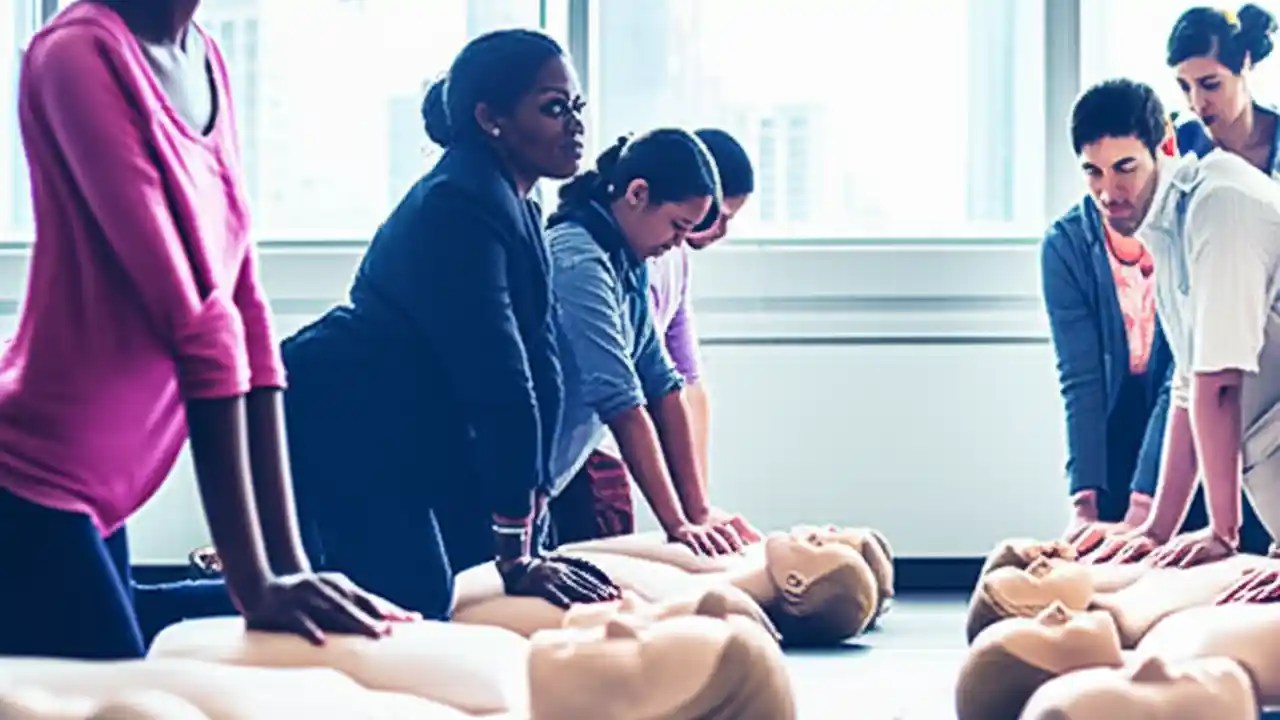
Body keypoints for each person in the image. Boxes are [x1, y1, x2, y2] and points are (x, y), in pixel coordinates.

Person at [0, 0, 406, 660]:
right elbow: (192, 315)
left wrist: (290, 563)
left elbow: (245, 304)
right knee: (120, 692)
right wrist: (255, 583)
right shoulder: (74, 53)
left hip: (107, 487)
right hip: (31, 478)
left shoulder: (206, 57)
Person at [278, 29, 622, 619]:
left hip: (409, 421)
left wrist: (532, 506)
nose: (576, 124)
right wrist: (517, 556)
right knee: (407, 602)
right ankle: (151, 614)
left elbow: (539, 359)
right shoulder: (459, 204)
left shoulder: (518, 202)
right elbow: (500, 379)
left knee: (461, 569)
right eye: (554, 107)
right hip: (339, 411)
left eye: (577, 107)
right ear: (492, 120)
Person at [1065, 78, 1280, 568]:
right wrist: (1156, 529)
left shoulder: (1219, 204)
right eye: (1092, 173)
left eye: (1125, 168)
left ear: (1165, 145)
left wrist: (1223, 532)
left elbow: (1220, 384)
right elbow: (1188, 384)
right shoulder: (1165, 225)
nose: (1108, 192)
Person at [538, 129, 748, 558]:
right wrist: (676, 526)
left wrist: (698, 512)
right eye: (676, 226)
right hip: (493, 481)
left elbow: (662, 381)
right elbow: (620, 398)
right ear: (637, 194)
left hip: (543, 480)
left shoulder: (627, 260)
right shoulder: (577, 258)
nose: (677, 243)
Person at [1167, 5, 1280, 176]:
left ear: (1245, 62)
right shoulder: (1176, 145)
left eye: (1211, 84)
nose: (1196, 104)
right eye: (1185, 87)